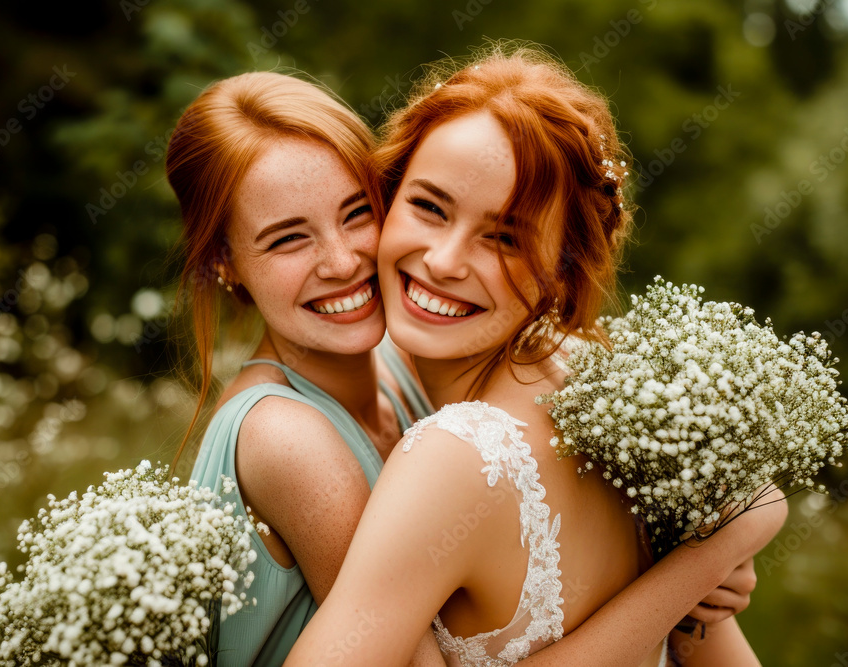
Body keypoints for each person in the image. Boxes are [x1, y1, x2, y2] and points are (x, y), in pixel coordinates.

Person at [284, 45, 787, 666]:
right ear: (386, 197)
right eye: (429, 207)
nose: (443, 261)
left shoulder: (457, 458)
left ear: (563, 272)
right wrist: (716, 551)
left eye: (503, 238)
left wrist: (730, 538)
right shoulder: (609, 381)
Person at [164, 71, 439, 666]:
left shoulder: (403, 363)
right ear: (224, 261)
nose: (342, 262)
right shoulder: (284, 437)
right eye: (289, 239)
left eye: (358, 212)